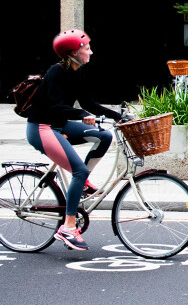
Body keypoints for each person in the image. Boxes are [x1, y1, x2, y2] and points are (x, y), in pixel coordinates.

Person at [25, 29, 127, 251]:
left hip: (60, 125)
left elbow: (88, 102)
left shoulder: (77, 72)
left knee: (104, 136)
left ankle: (82, 185)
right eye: (86, 47)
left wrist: (118, 116)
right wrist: (81, 116)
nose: (90, 51)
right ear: (73, 52)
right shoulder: (56, 72)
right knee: (78, 171)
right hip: (42, 128)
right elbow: (52, 106)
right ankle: (68, 227)